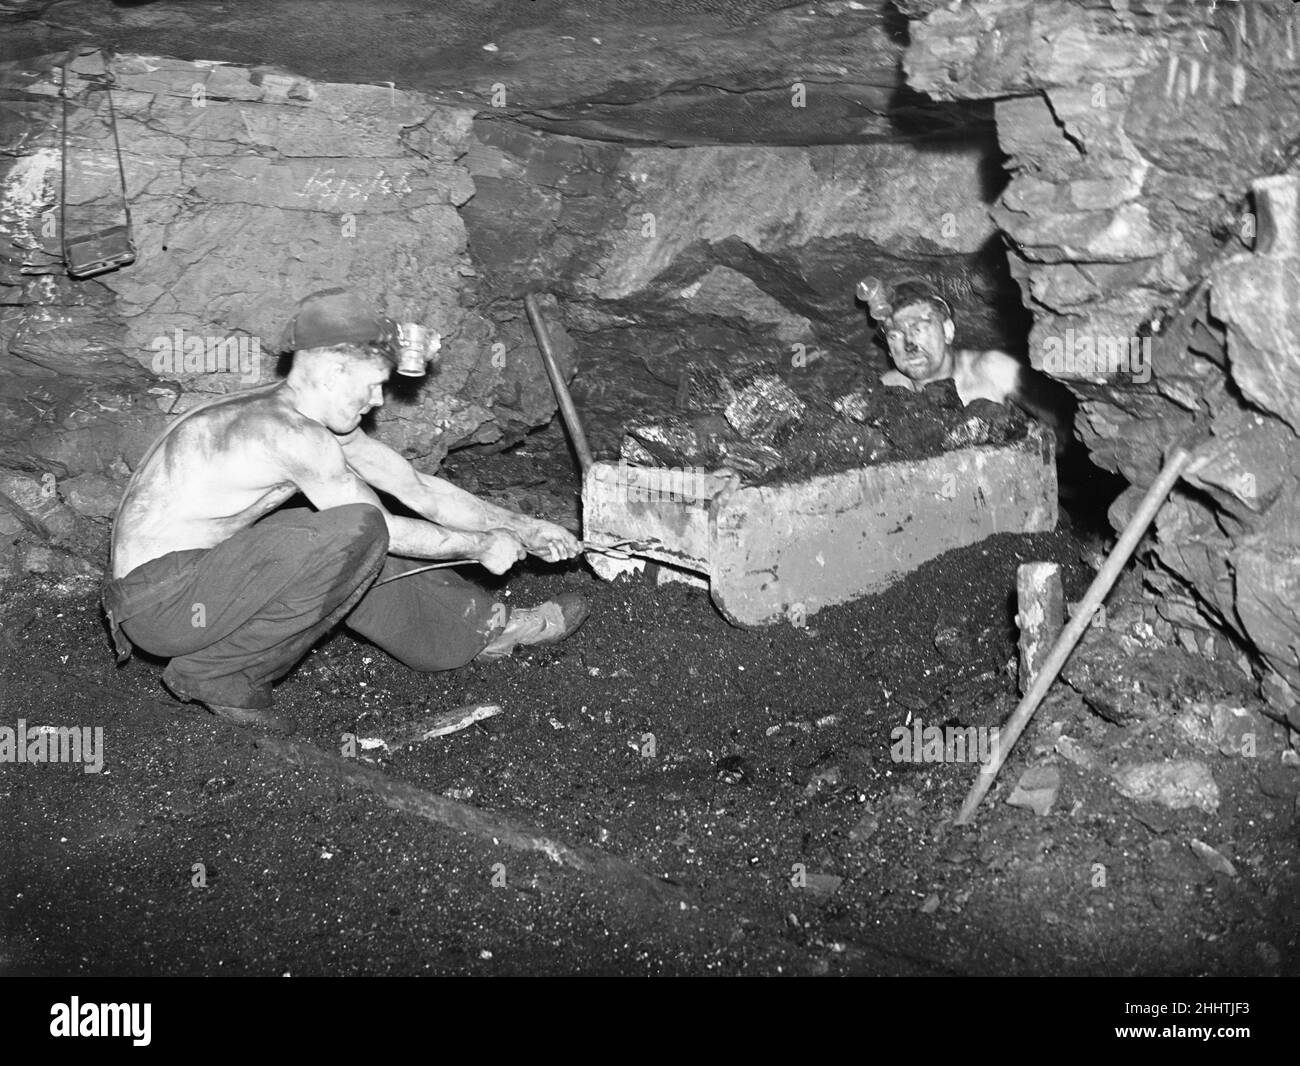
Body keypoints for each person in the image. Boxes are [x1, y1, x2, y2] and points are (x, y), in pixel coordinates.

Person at [102, 288, 588, 733]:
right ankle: (221, 674)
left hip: (196, 586)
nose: (378, 400)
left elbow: (420, 490)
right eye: (374, 383)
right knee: (357, 528)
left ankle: (483, 628)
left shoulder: (312, 421)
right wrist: (482, 546)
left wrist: (522, 528)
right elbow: (381, 529)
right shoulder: (287, 433)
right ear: (335, 371)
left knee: (351, 530)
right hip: (163, 605)